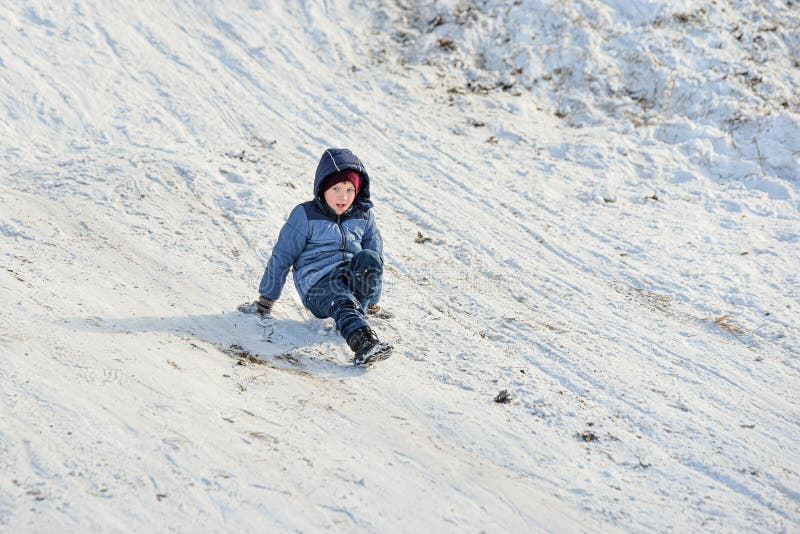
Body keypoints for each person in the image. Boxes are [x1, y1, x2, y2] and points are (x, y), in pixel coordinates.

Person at [255, 148, 392, 365]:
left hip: (349, 274)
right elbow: (282, 256)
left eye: (349, 189)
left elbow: (377, 257)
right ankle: (364, 344)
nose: (343, 196)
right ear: (322, 188)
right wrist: (266, 299)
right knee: (342, 298)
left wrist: (373, 302)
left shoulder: (364, 215)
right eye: (335, 188)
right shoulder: (305, 215)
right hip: (318, 283)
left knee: (369, 257)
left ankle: (356, 313)